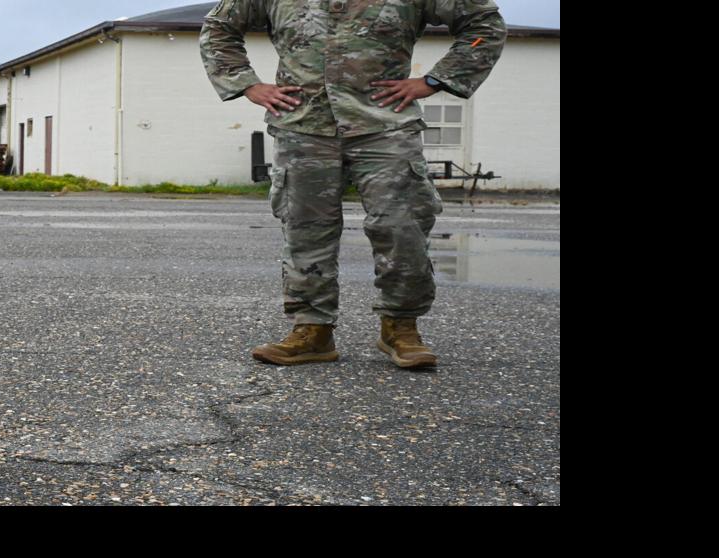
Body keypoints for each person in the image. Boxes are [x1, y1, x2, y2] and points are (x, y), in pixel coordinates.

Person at [200, 0, 506, 369]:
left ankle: (401, 327)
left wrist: (433, 81)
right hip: (303, 126)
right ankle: (312, 330)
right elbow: (218, 28)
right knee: (305, 231)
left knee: (401, 226)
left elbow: (483, 25)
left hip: (384, 124)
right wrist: (246, 84)